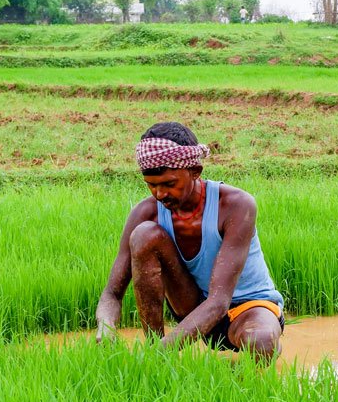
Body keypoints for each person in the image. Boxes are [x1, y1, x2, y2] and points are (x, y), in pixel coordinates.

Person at [96, 122, 284, 359]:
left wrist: (155, 356)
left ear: (196, 171)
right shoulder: (147, 212)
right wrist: (106, 328)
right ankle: (155, 346)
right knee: (144, 234)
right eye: (151, 186)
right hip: (193, 307)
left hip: (246, 307)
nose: (160, 194)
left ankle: (159, 355)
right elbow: (112, 294)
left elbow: (219, 302)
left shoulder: (235, 205)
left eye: (169, 184)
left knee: (261, 341)